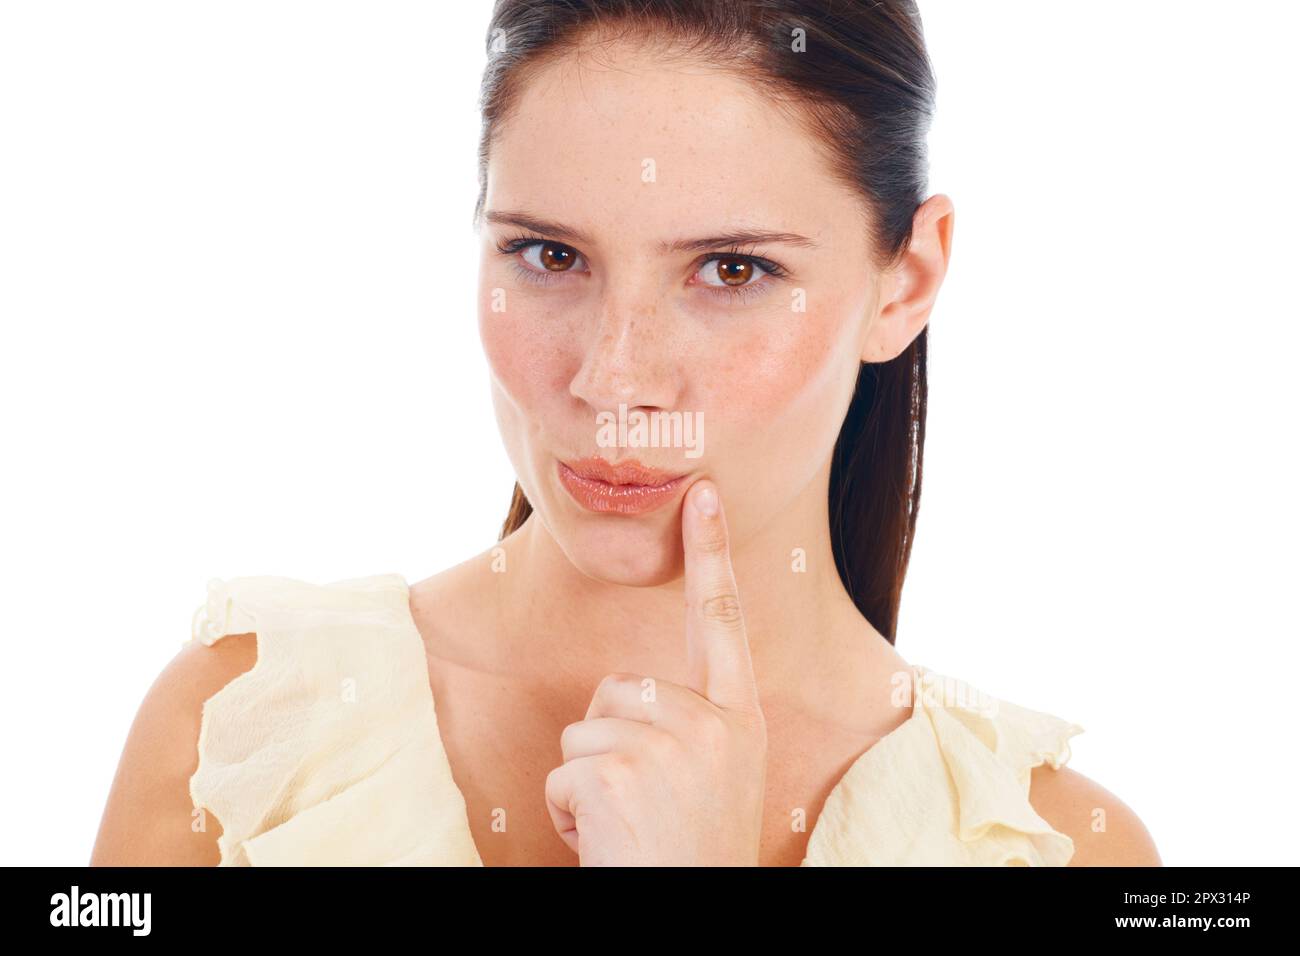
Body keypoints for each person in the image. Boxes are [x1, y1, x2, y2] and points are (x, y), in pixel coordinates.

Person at [91, 0, 1160, 867]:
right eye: (550, 256)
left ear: (907, 279)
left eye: (732, 270)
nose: (613, 379)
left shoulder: (1056, 850)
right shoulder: (245, 727)